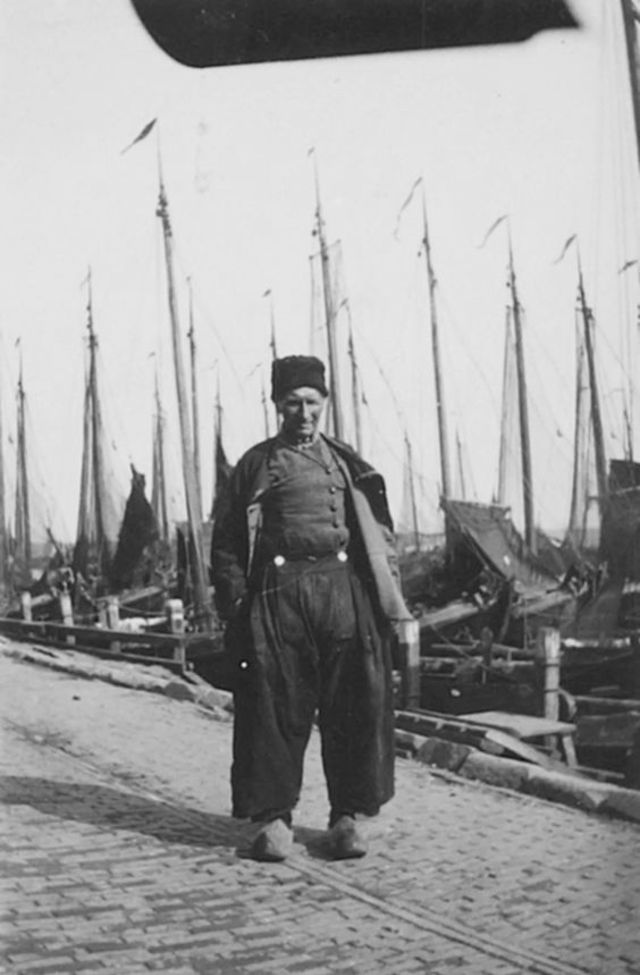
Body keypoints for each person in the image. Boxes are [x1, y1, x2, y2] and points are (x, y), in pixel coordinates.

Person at [211, 354, 410, 862]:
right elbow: (227, 541)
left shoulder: (346, 462)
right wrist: (237, 602)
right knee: (275, 708)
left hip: (344, 590)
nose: (304, 413)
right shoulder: (256, 465)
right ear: (278, 405)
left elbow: (376, 529)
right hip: (280, 595)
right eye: (294, 403)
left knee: (355, 706)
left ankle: (347, 818)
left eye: (313, 403)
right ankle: (274, 822)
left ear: (324, 404)